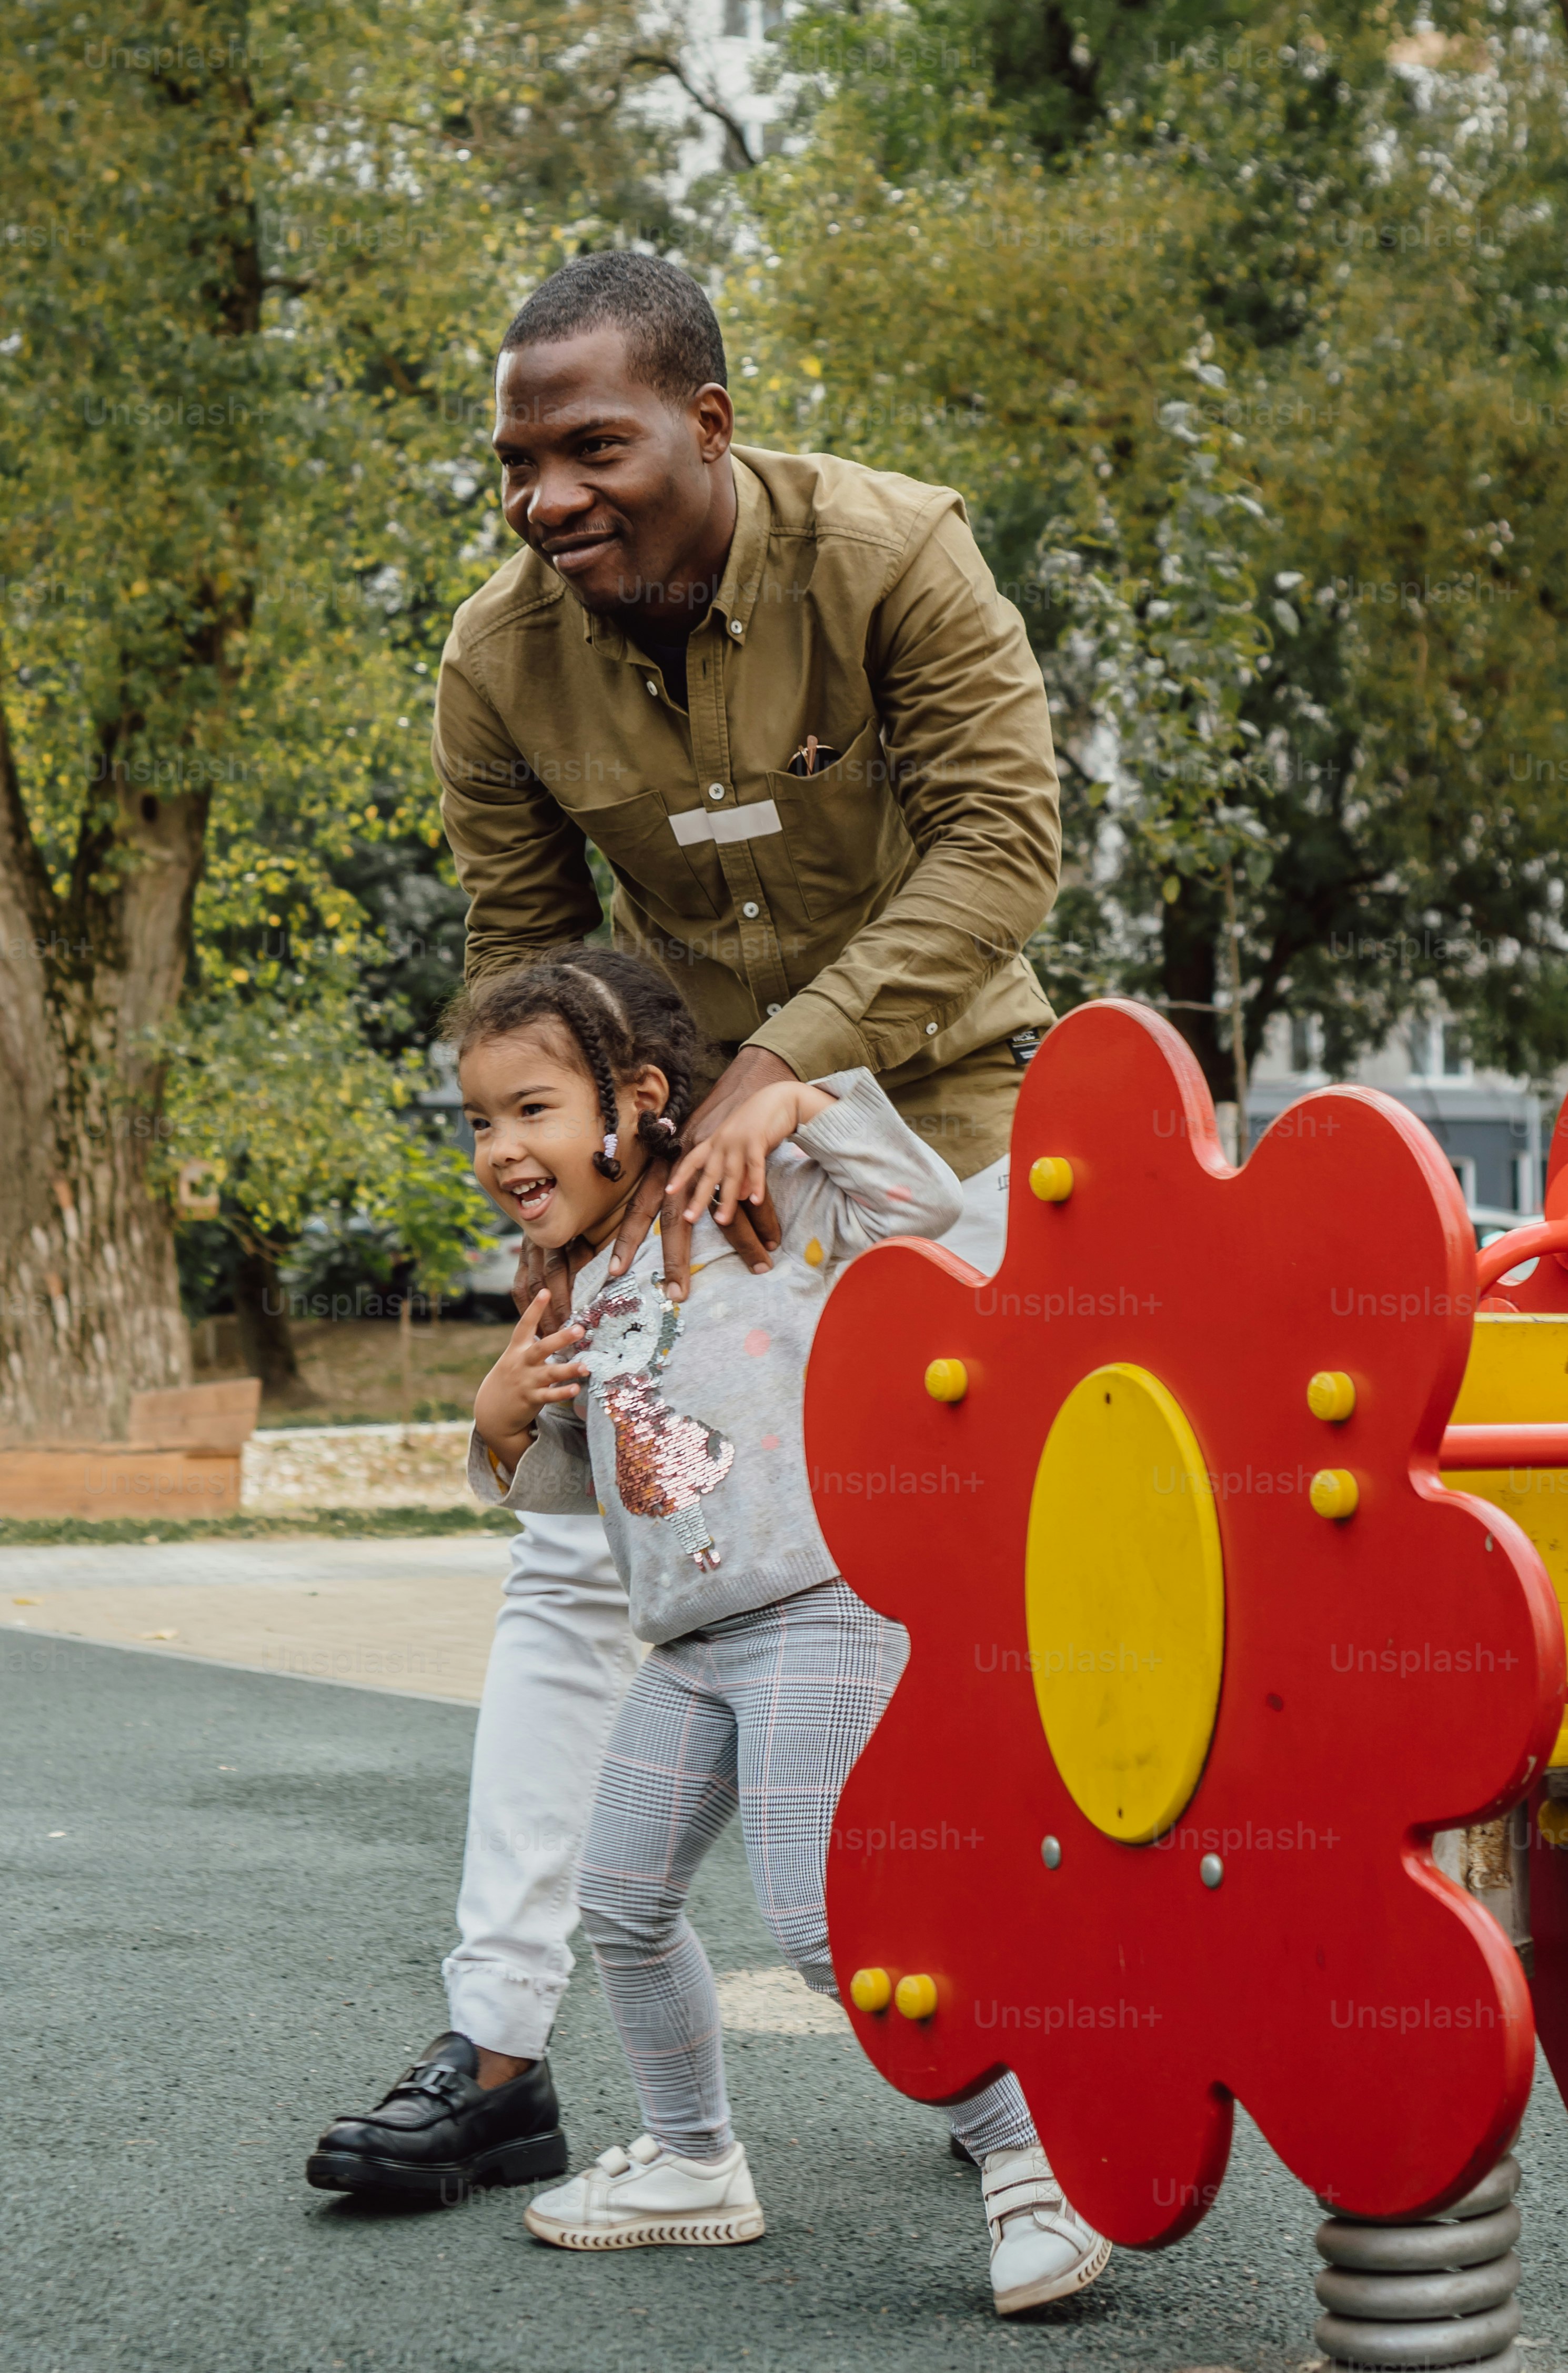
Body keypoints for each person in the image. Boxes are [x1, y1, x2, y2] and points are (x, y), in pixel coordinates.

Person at [307, 249, 1060, 2211]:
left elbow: (1002, 846)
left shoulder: (894, 554)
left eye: (591, 448)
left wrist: (794, 1062)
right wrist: (570, 1211)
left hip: (935, 1105)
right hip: (675, 1152)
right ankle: (497, 2045)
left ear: (706, 428)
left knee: (1002, 1558)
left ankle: (1043, 2003)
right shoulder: (495, 655)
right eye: (516, 460)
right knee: (575, 1555)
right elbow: (524, 956)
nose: (547, 496)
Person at [455, 944, 1111, 2312]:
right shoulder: (575, 1286)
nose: (501, 1146)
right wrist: (501, 1419)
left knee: (828, 1924)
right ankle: (693, 2161)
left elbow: (937, 1231)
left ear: (635, 1100)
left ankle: (1034, 2165)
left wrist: (805, 1103)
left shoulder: (760, 1195)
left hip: (821, 1608)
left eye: (531, 1109)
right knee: (620, 1901)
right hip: (689, 1646)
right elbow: (590, 1491)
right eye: (479, 1119)